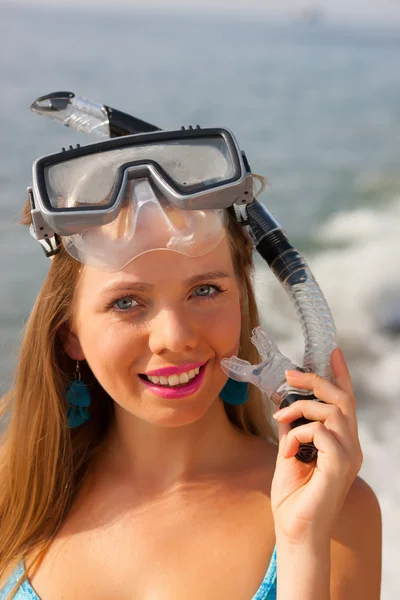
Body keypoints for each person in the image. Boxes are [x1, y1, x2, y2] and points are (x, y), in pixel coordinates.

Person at [0, 128, 381, 599]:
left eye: (205, 290)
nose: (175, 338)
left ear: (242, 300)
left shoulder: (334, 509)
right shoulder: (12, 506)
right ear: (70, 334)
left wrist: (303, 543)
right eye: (126, 303)